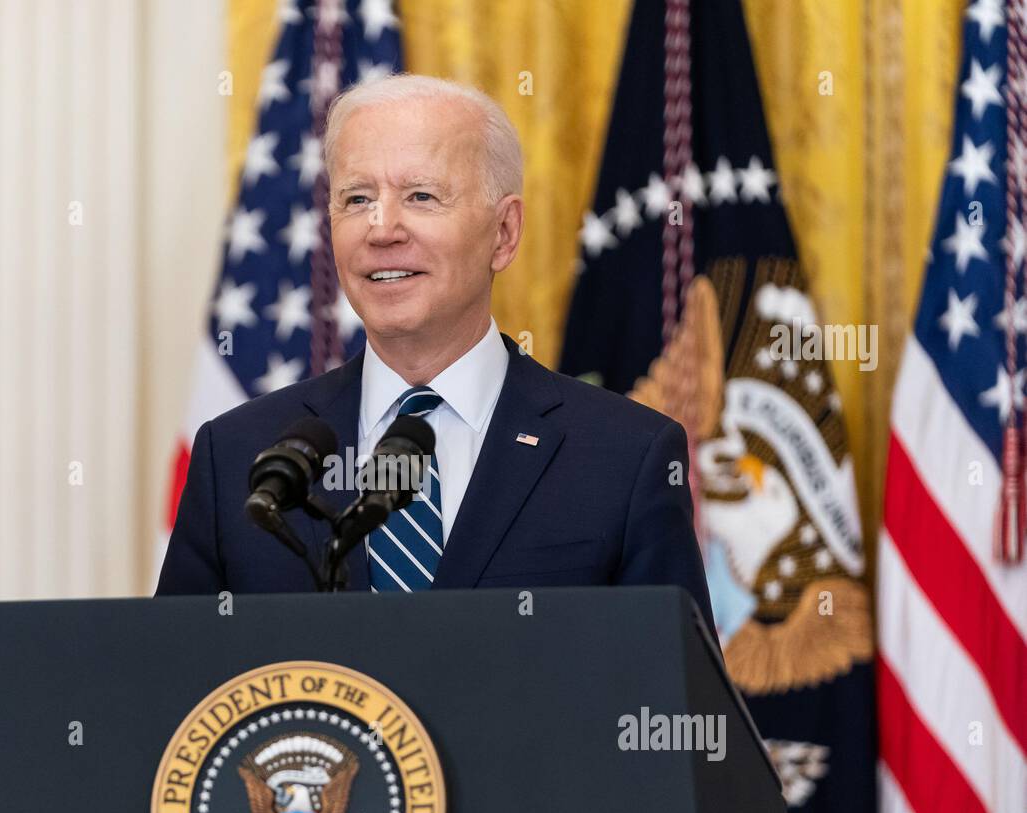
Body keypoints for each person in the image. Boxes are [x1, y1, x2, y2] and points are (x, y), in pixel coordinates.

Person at [157, 74, 714, 635]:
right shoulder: (237, 459)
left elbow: (677, 703)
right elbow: (174, 700)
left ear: (504, 233)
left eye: (421, 196)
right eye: (357, 198)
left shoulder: (628, 458)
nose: (382, 228)